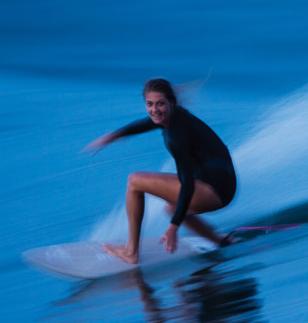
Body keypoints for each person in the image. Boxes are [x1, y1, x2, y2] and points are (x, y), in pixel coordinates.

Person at [83, 78, 236, 263]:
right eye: (149, 104)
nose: (154, 110)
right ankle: (219, 240)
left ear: (171, 103)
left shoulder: (176, 135)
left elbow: (186, 183)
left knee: (135, 181)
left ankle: (131, 252)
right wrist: (114, 136)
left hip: (212, 190)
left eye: (160, 104)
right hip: (223, 185)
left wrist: (174, 227)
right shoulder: (176, 116)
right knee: (172, 207)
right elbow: (145, 123)